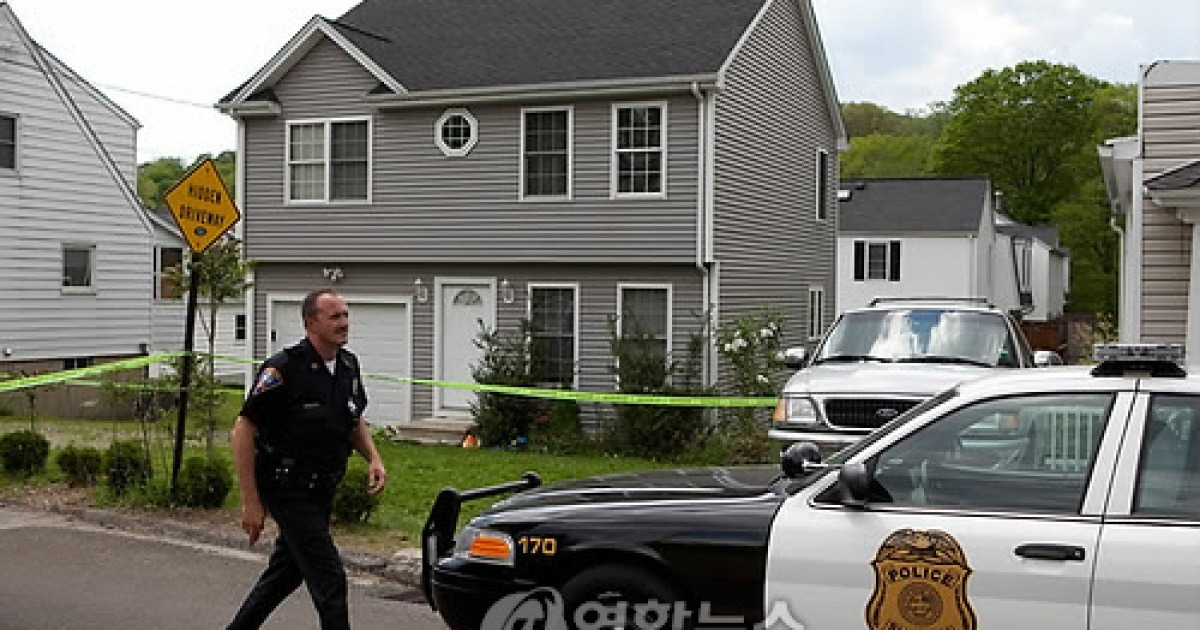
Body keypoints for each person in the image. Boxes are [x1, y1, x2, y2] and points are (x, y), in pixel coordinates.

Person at [226, 289, 387, 630]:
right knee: (330, 582)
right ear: (311, 322)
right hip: (286, 486)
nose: (344, 324)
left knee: (285, 575)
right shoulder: (284, 369)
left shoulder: (347, 364)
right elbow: (243, 429)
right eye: (335, 317)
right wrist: (251, 502)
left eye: (345, 315)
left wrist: (373, 457)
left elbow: (352, 417)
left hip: (321, 488)